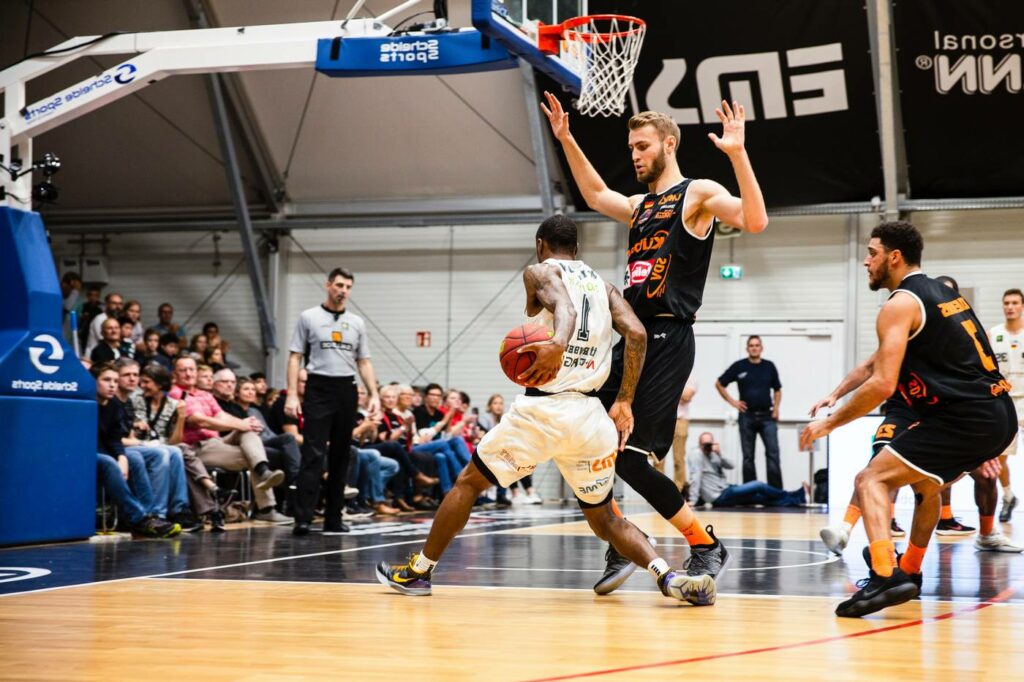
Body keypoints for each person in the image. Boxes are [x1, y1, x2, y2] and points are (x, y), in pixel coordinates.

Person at [377, 215, 708, 603]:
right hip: (590, 417)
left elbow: (563, 304)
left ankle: (419, 572)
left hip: (542, 413)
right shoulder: (602, 285)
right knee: (605, 517)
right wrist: (624, 400)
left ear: (540, 244)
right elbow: (636, 333)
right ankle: (668, 577)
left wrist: (557, 343)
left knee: (468, 483)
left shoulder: (539, 271)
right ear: (578, 249)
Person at [540, 93, 768, 599]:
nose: (636, 155)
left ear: (669, 144)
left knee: (631, 458)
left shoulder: (699, 193)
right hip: (628, 338)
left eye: (643, 146)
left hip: (667, 335)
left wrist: (737, 154)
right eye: (631, 148)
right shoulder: (641, 206)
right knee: (591, 441)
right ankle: (625, 537)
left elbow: (755, 221)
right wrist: (566, 139)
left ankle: (704, 543)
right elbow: (598, 193)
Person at [800, 221, 1016, 617]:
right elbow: (874, 364)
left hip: (966, 416)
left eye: (872, 253)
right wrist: (836, 394)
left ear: (894, 257)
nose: (866, 262)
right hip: (995, 412)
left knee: (870, 479)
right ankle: (911, 571)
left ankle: (886, 575)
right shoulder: (945, 294)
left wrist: (828, 424)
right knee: (925, 485)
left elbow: (883, 384)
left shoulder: (899, 304)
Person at [286, 267, 380, 536]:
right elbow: (294, 357)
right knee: (313, 453)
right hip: (318, 386)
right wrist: (292, 394)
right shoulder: (309, 317)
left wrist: (373, 394)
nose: (343, 291)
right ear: (328, 285)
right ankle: (302, 518)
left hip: (346, 388)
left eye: (348, 287)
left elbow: (364, 361)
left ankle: (333, 518)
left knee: (341, 455)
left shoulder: (357, 322)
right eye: (339, 285)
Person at [169, 355, 290, 524]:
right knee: (251, 453)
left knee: (249, 434)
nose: (189, 374)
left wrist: (244, 424)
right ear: (175, 374)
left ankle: (263, 471)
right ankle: (267, 508)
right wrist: (241, 425)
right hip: (196, 448)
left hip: (217, 442)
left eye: (192, 369)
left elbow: (221, 414)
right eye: (183, 370)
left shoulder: (204, 394)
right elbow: (200, 420)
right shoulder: (176, 394)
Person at [92, 362, 181, 539]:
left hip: (107, 450)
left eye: (115, 381)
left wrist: (122, 457)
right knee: (111, 461)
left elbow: (114, 439)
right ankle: (138, 518)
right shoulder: (85, 404)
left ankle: (152, 516)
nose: (112, 385)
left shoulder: (114, 405)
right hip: (87, 452)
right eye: (106, 380)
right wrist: (117, 457)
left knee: (135, 458)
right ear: (93, 382)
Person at [716, 336, 783, 488]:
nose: (754, 348)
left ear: (761, 348)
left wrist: (777, 408)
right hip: (747, 417)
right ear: (747, 349)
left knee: (773, 454)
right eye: (751, 345)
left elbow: (777, 390)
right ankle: (750, 491)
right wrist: (733, 402)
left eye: (757, 345)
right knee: (748, 457)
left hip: (767, 416)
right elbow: (719, 383)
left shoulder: (769, 366)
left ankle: (776, 492)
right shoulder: (739, 366)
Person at [688, 432, 807, 508]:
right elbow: (695, 476)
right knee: (758, 485)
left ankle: (797, 499)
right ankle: (791, 494)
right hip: (719, 496)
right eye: (705, 444)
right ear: (699, 444)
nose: (707, 446)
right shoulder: (696, 455)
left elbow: (731, 465)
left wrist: (719, 453)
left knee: (759, 498)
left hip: (726, 489)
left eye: (710, 443)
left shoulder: (714, 453)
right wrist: (693, 500)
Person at [990, 287, 1024, 522]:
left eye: (1015, 303)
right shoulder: (993, 334)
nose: (1010, 307)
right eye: (1007, 303)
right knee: (1000, 456)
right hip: (1005, 401)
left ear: (1022, 306)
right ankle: (1008, 495)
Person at [656, 374, 697, 497]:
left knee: (679, 459)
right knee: (658, 459)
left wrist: (667, 385)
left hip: (680, 420)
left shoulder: (690, 376)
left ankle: (678, 491)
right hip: (661, 418)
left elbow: (686, 396)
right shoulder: (663, 371)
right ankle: (658, 491)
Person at [85, 292, 125, 358]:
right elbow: (105, 340)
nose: (118, 307)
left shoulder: (116, 320)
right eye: (114, 303)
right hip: (96, 358)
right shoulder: (99, 319)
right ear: (107, 304)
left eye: (120, 304)